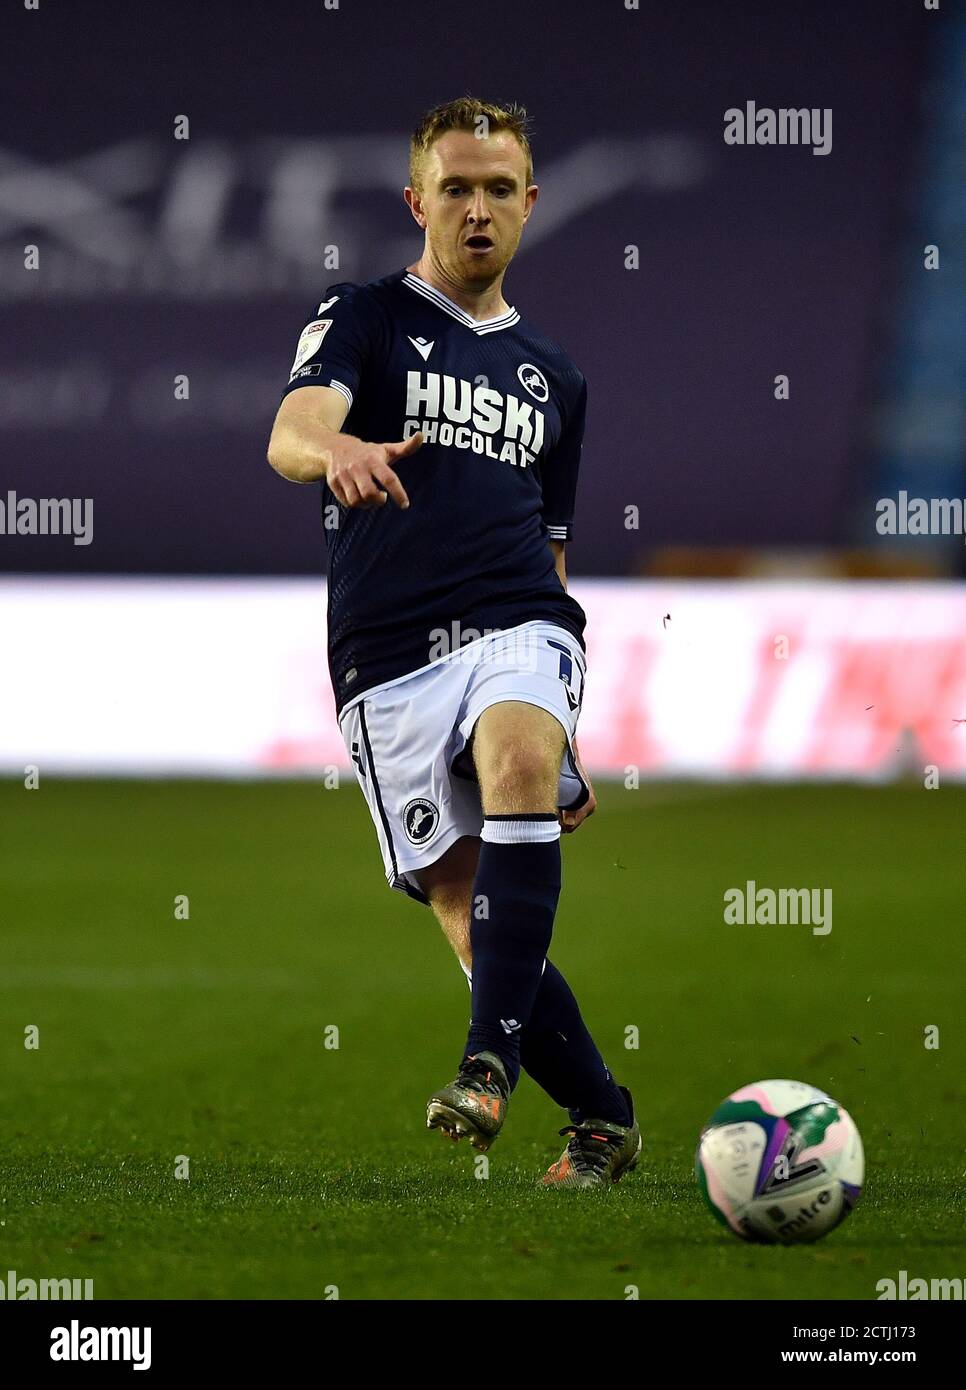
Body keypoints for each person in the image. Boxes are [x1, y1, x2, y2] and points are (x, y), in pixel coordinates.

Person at [267, 97, 639, 1188]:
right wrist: (334, 449)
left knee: (522, 757)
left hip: (520, 619)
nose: (476, 209)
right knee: (470, 916)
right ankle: (605, 1116)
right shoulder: (366, 314)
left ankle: (487, 1065)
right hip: (385, 657)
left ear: (530, 202)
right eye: (455, 188)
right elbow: (290, 431)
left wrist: (566, 722)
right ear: (417, 200)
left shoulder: (556, 379)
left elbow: (553, 552)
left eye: (497, 189)